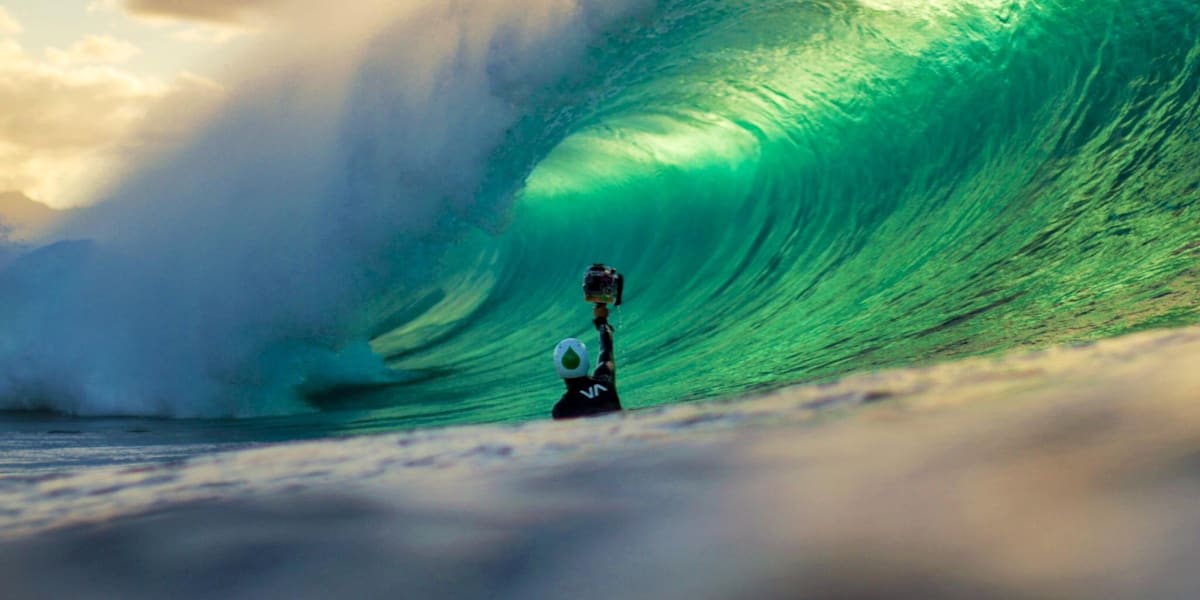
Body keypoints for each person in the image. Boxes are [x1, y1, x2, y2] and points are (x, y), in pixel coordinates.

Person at [552, 303, 622, 419]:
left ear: (559, 369)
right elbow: (606, 350)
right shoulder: (605, 384)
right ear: (586, 362)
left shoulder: (562, 409)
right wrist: (602, 321)